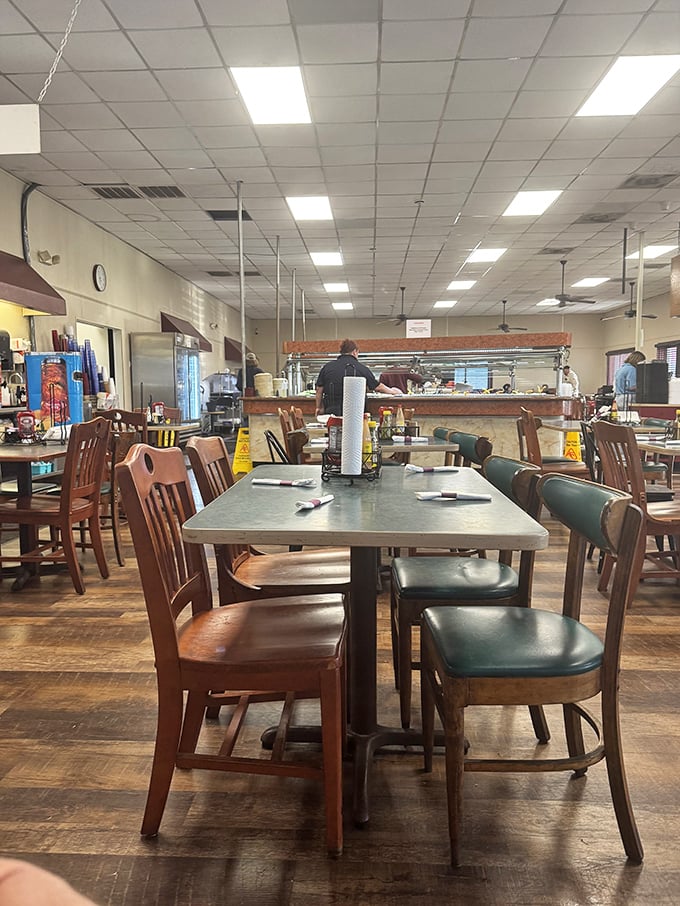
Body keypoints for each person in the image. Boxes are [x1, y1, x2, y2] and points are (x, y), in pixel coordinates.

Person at [315, 339, 400, 416]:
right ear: (355, 352)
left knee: (333, 432)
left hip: (331, 412)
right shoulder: (362, 368)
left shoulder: (327, 367)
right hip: (356, 413)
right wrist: (392, 391)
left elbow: (319, 390)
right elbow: (377, 387)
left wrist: (318, 407)